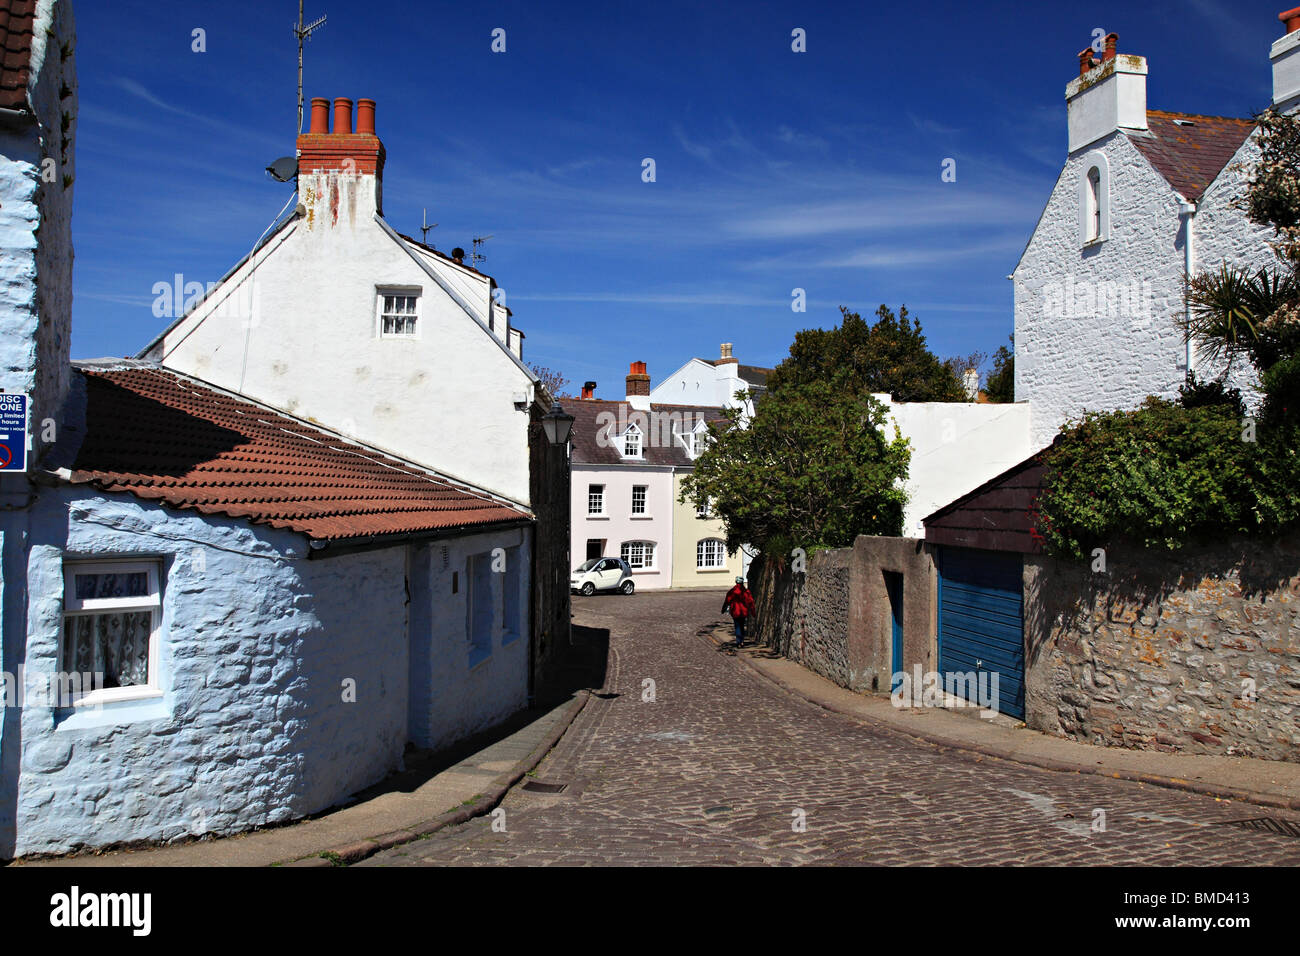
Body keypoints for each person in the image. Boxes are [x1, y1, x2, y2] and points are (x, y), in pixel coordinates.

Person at [722, 577, 756, 647]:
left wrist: (723, 609)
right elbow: (751, 602)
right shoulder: (746, 592)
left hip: (735, 611)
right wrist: (753, 612)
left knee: (737, 626)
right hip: (743, 612)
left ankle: (738, 642)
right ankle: (742, 641)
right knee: (742, 626)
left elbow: (727, 601)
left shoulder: (732, 591)